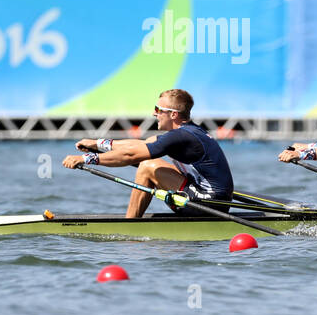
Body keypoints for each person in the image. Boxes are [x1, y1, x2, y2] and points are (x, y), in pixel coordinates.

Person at [62, 88, 234, 218]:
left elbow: (130, 156)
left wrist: (86, 158)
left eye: (158, 109)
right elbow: (138, 147)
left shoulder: (181, 136)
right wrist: (97, 144)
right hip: (211, 200)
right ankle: (133, 221)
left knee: (146, 166)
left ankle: (129, 226)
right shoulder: (187, 132)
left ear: (173, 114)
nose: (154, 113)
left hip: (209, 205)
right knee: (149, 150)